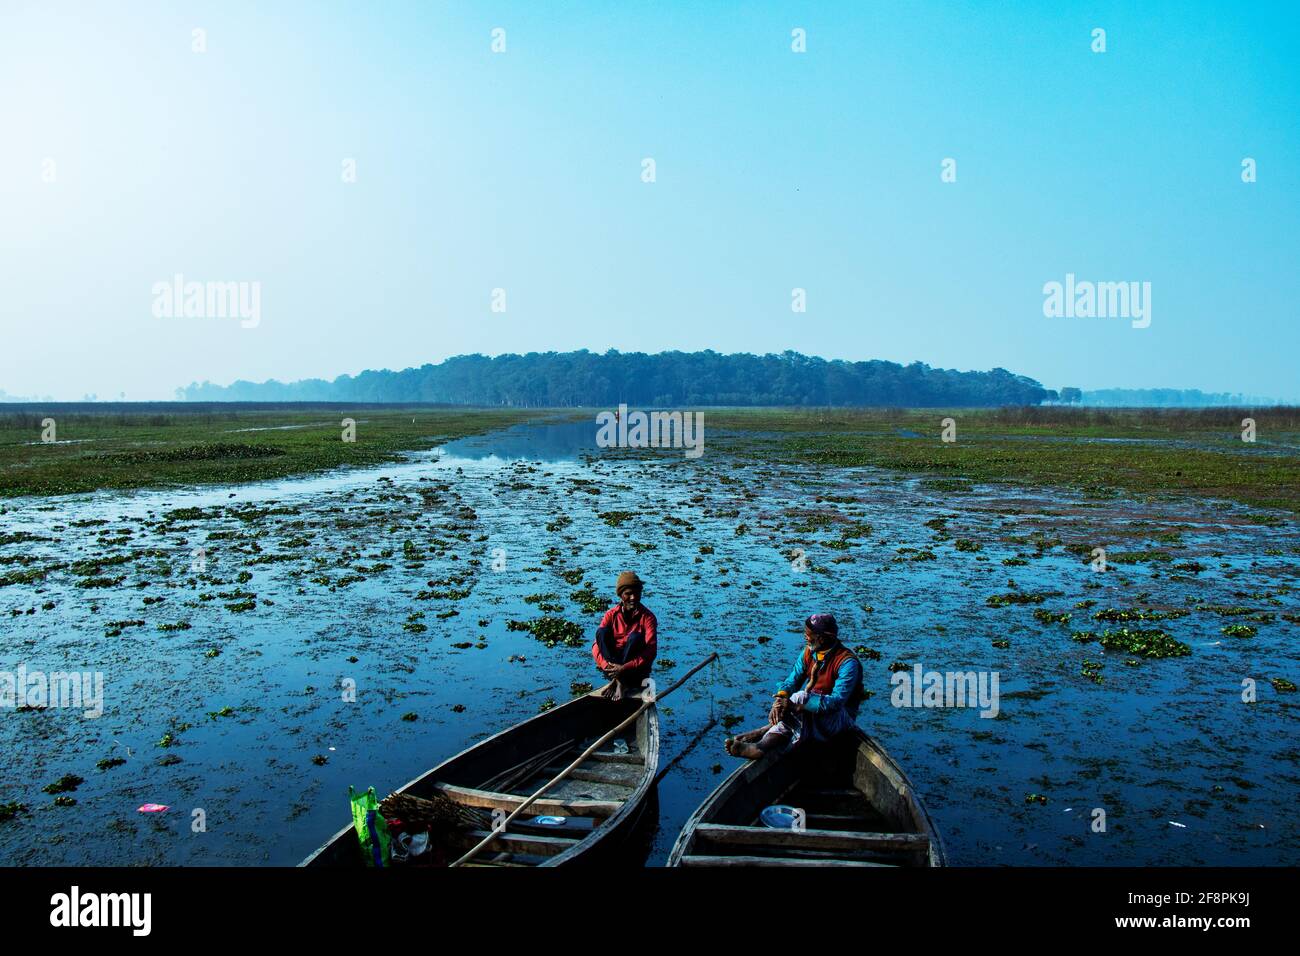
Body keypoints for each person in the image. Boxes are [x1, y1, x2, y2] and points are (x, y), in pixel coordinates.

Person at [725, 613, 863, 758]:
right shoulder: (808, 653)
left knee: (800, 698)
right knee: (791, 702)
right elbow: (792, 681)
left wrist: (799, 705)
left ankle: (761, 743)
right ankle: (763, 735)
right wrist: (781, 699)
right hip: (812, 713)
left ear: (821, 638)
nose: (805, 637)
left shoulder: (847, 663)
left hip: (840, 719)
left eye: (808, 634)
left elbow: (837, 702)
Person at [592, 571, 658, 699]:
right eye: (628, 594)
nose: (633, 597)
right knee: (601, 632)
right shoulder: (611, 615)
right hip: (613, 669)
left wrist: (623, 668)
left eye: (636, 593)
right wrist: (608, 666)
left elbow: (651, 651)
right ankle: (618, 680)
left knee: (635, 637)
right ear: (621, 595)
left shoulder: (648, 618)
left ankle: (621, 683)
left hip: (635, 671)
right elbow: (596, 645)